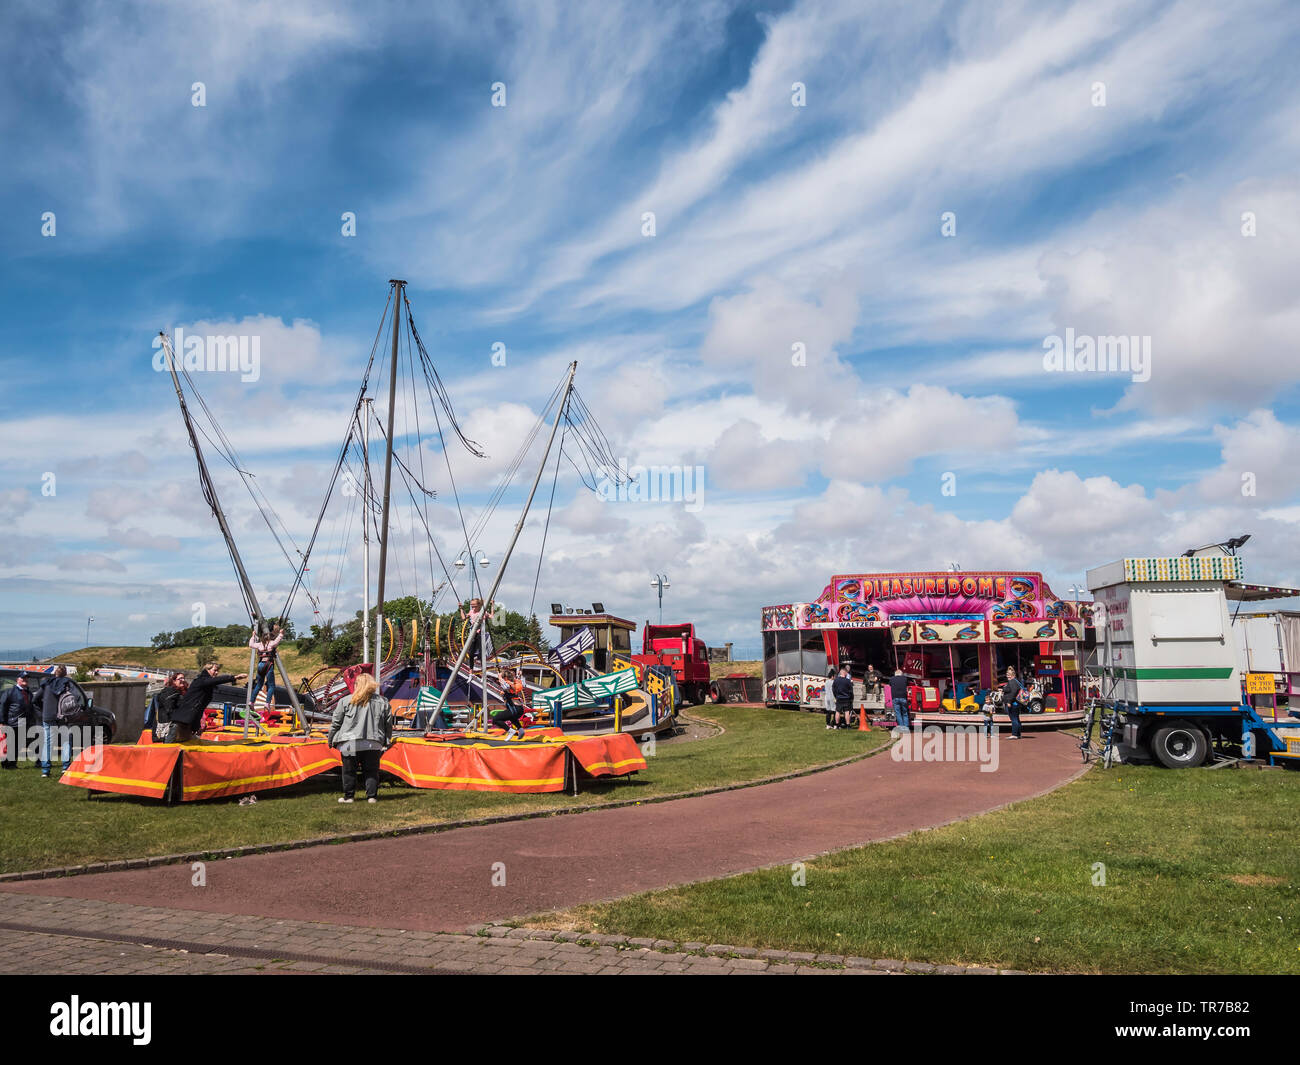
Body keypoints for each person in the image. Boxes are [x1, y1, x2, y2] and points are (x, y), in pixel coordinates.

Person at [327, 672, 392, 803]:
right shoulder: (383, 702)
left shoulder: (345, 701)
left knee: (349, 771)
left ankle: (349, 797)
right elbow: (388, 724)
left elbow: (336, 723)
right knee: (371, 771)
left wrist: (331, 739)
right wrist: (387, 740)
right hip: (373, 742)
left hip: (349, 743)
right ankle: (372, 797)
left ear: (357, 685)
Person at [174, 662, 246, 742]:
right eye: (215, 670)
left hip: (190, 717)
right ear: (207, 670)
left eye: (217, 671)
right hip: (185, 717)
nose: (217, 673)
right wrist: (234, 677)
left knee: (188, 741)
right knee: (181, 741)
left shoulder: (206, 683)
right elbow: (217, 680)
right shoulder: (202, 680)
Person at [37, 666, 75, 777]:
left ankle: (45, 770)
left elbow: (35, 699)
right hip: (63, 717)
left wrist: (43, 710)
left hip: (48, 716)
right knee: (66, 742)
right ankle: (65, 767)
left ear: (55, 673)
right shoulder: (68, 684)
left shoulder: (46, 684)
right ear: (65, 674)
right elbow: (75, 699)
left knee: (48, 743)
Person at [246, 622, 284, 720]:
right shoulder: (271, 644)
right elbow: (278, 640)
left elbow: (251, 645)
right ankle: (267, 703)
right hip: (268, 665)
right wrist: (281, 633)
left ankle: (251, 701)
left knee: (259, 685)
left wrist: (253, 636)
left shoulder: (259, 645)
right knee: (271, 686)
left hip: (260, 665)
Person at [1, 673, 34, 768]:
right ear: (17, 680)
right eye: (23, 678)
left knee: (18, 744)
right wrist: (2, 721)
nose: (25, 680)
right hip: (11, 722)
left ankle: (12, 764)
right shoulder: (10, 692)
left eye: (27, 678)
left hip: (23, 722)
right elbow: (3, 706)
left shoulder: (28, 692)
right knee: (10, 744)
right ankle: (6, 764)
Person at [491, 666, 528, 739]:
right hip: (519, 709)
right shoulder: (516, 683)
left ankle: (510, 731)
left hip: (514, 709)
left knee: (495, 719)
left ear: (505, 678)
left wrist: (500, 677)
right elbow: (523, 685)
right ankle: (521, 730)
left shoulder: (508, 684)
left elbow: (506, 687)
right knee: (512, 718)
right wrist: (521, 676)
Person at [150, 672, 187, 742]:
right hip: (166, 727)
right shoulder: (169, 691)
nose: (183, 680)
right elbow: (169, 709)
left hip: (175, 728)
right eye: (180, 679)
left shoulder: (181, 693)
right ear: (174, 681)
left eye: (184, 678)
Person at [460, 598, 495, 666]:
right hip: (473, 633)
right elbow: (463, 618)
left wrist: (492, 605)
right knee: (471, 652)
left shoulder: (483, 612)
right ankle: (471, 670)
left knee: (481, 652)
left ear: (479, 605)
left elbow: (492, 616)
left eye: (474, 606)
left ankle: (482, 667)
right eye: (471, 606)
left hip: (480, 632)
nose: (473, 608)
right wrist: (461, 609)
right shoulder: (471, 612)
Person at [999, 666, 1024, 740]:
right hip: (1016, 703)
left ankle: (1014, 734)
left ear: (1013, 675)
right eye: (1007, 675)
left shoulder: (1012, 682)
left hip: (1013, 703)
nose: (1007, 676)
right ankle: (1018, 734)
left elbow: (1013, 692)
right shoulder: (1016, 681)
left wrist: (1009, 702)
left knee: (1014, 719)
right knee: (1016, 718)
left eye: (1009, 675)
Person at [887, 668, 912, 732]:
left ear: (895, 674)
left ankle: (901, 727)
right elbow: (907, 684)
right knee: (905, 712)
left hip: (895, 698)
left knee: (898, 713)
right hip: (903, 697)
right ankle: (906, 727)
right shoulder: (904, 678)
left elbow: (889, 685)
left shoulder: (892, 679)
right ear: (901, 674)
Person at [831, 665, 854, 730]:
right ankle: (848, 725)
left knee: (837, 712)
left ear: (840, 673)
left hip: (839, 698)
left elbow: (833, 689)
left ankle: (837, 725)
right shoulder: (847, 681)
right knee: (847, 712)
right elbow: (851, 691)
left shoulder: (836, 680)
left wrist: (836, 696)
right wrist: (851, 698)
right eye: (846, 673)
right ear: (845, 673)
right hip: (846, 698)